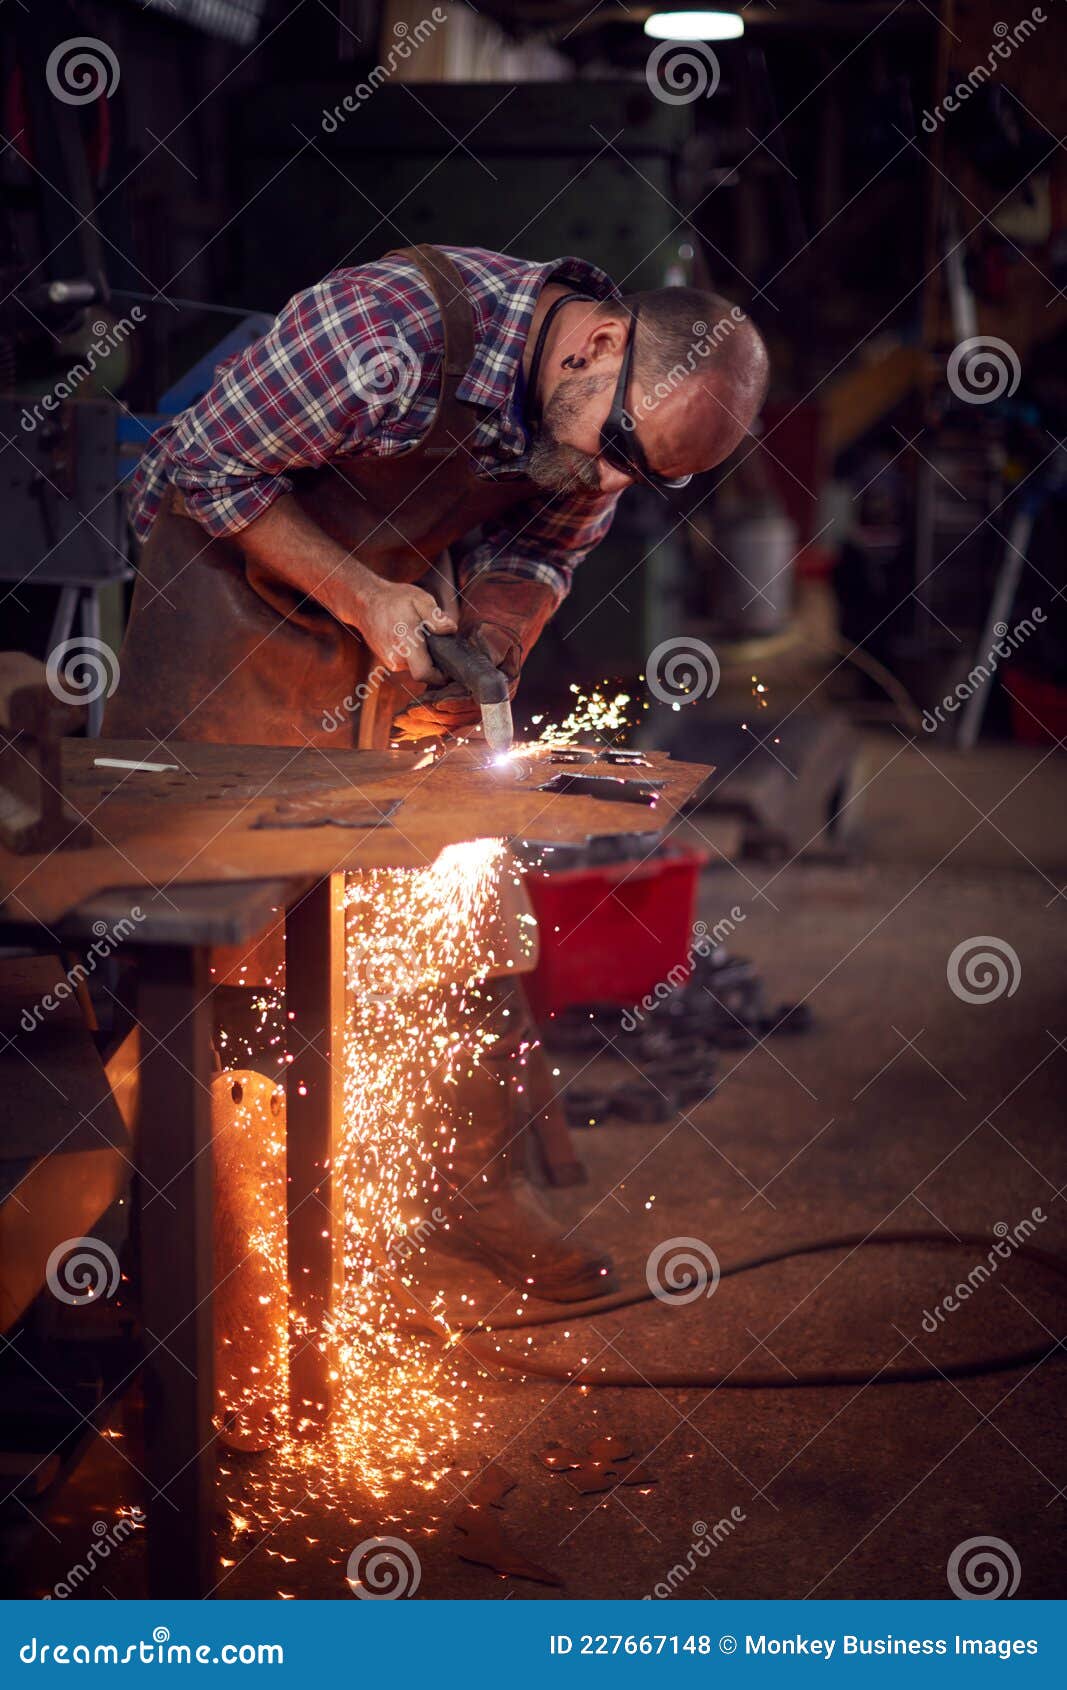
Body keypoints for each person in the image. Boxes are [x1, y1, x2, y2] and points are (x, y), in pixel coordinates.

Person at [104, 243, 769, 1300]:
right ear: (597, 343)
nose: (609, 483)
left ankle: (470, 1193)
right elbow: (200, 468)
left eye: (641, 481)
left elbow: (544, 550)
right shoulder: (387, 339)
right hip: (233, 624)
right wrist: (362, 598)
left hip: (398, 636)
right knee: (217, 938)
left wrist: (492, 645)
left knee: (464, 905)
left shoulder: (594, 421)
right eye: (621, 452)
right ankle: (187, 1239)